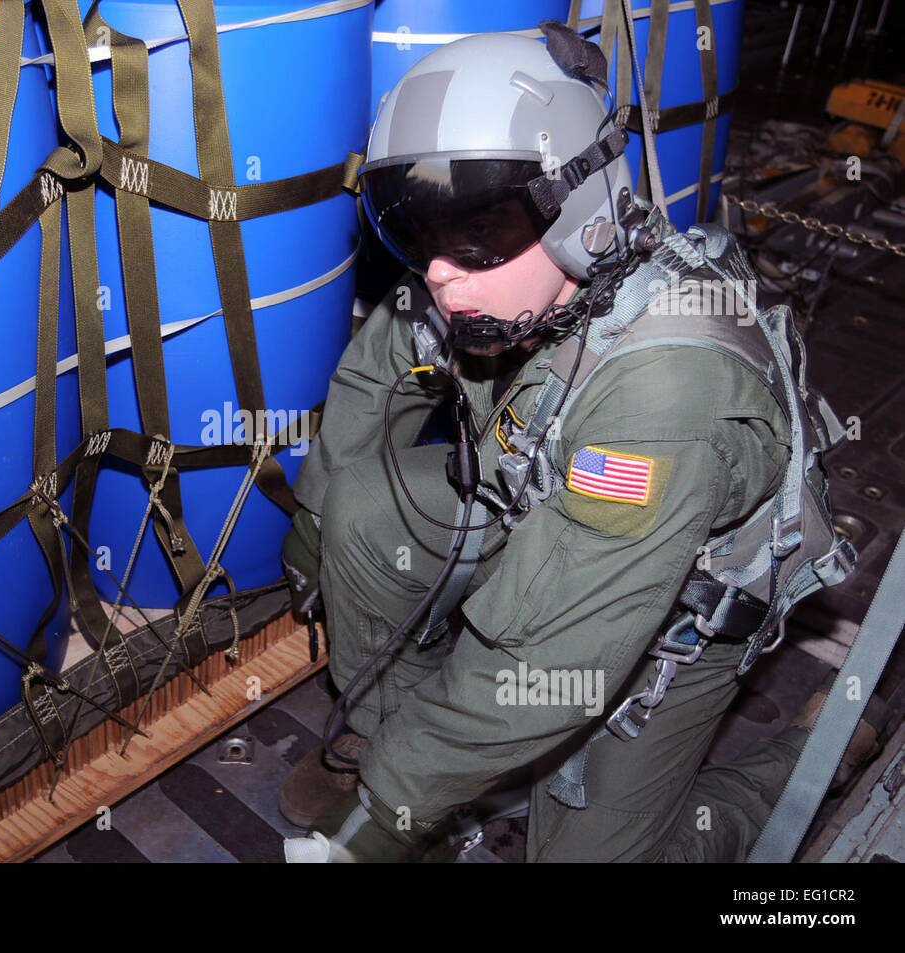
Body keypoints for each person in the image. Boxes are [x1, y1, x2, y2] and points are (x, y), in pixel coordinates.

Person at [276, 22, 854, 863]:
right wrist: (312, 533)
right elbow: (373, 383)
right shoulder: (485, 280)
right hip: (544, 501)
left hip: (675, 604)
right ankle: (418, 753)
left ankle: (815, 754)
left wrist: (374, 824)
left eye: (475, 230)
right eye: (422, 230)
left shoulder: (666, 394)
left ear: (579, 215)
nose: (438, 271)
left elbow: (552, 655)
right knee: (362, 515)